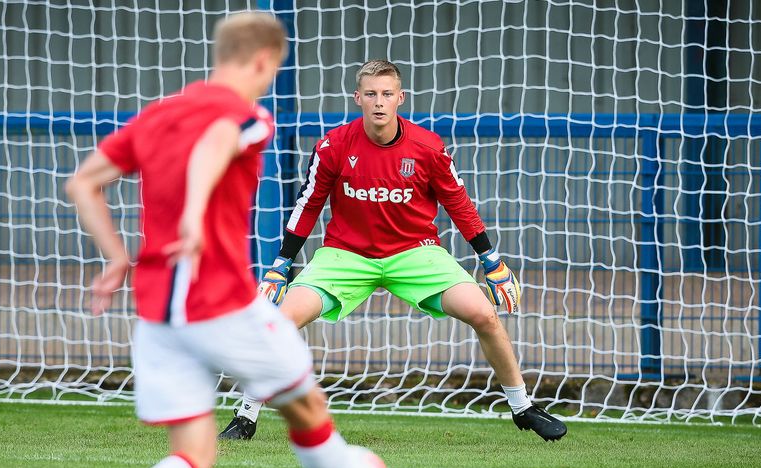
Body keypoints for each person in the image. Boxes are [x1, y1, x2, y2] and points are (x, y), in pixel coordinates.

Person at [66, 17, 444, 468]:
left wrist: (116, 256)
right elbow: (216, 142)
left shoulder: (158, 114)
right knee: (307, 405)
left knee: (194, 451)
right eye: (275, 69)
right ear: (264, 60)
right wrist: (196, 211)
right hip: (219, 303)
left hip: (156, 313)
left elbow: (83, 182)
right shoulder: (248, 116)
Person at [219, 59, 567, 443]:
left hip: (415, 253)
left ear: (401, 98)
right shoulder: (333, 146)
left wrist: (492, 262)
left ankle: (522, 407)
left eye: (387, 94)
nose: (379, 102)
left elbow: (459, 204)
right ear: (358, 98)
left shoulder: (428, 147)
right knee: (279, 322)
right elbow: (308, 205)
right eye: (371, 94)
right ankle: (245, 415)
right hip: (346, 255)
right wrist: (281, 265)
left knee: (484, 314)